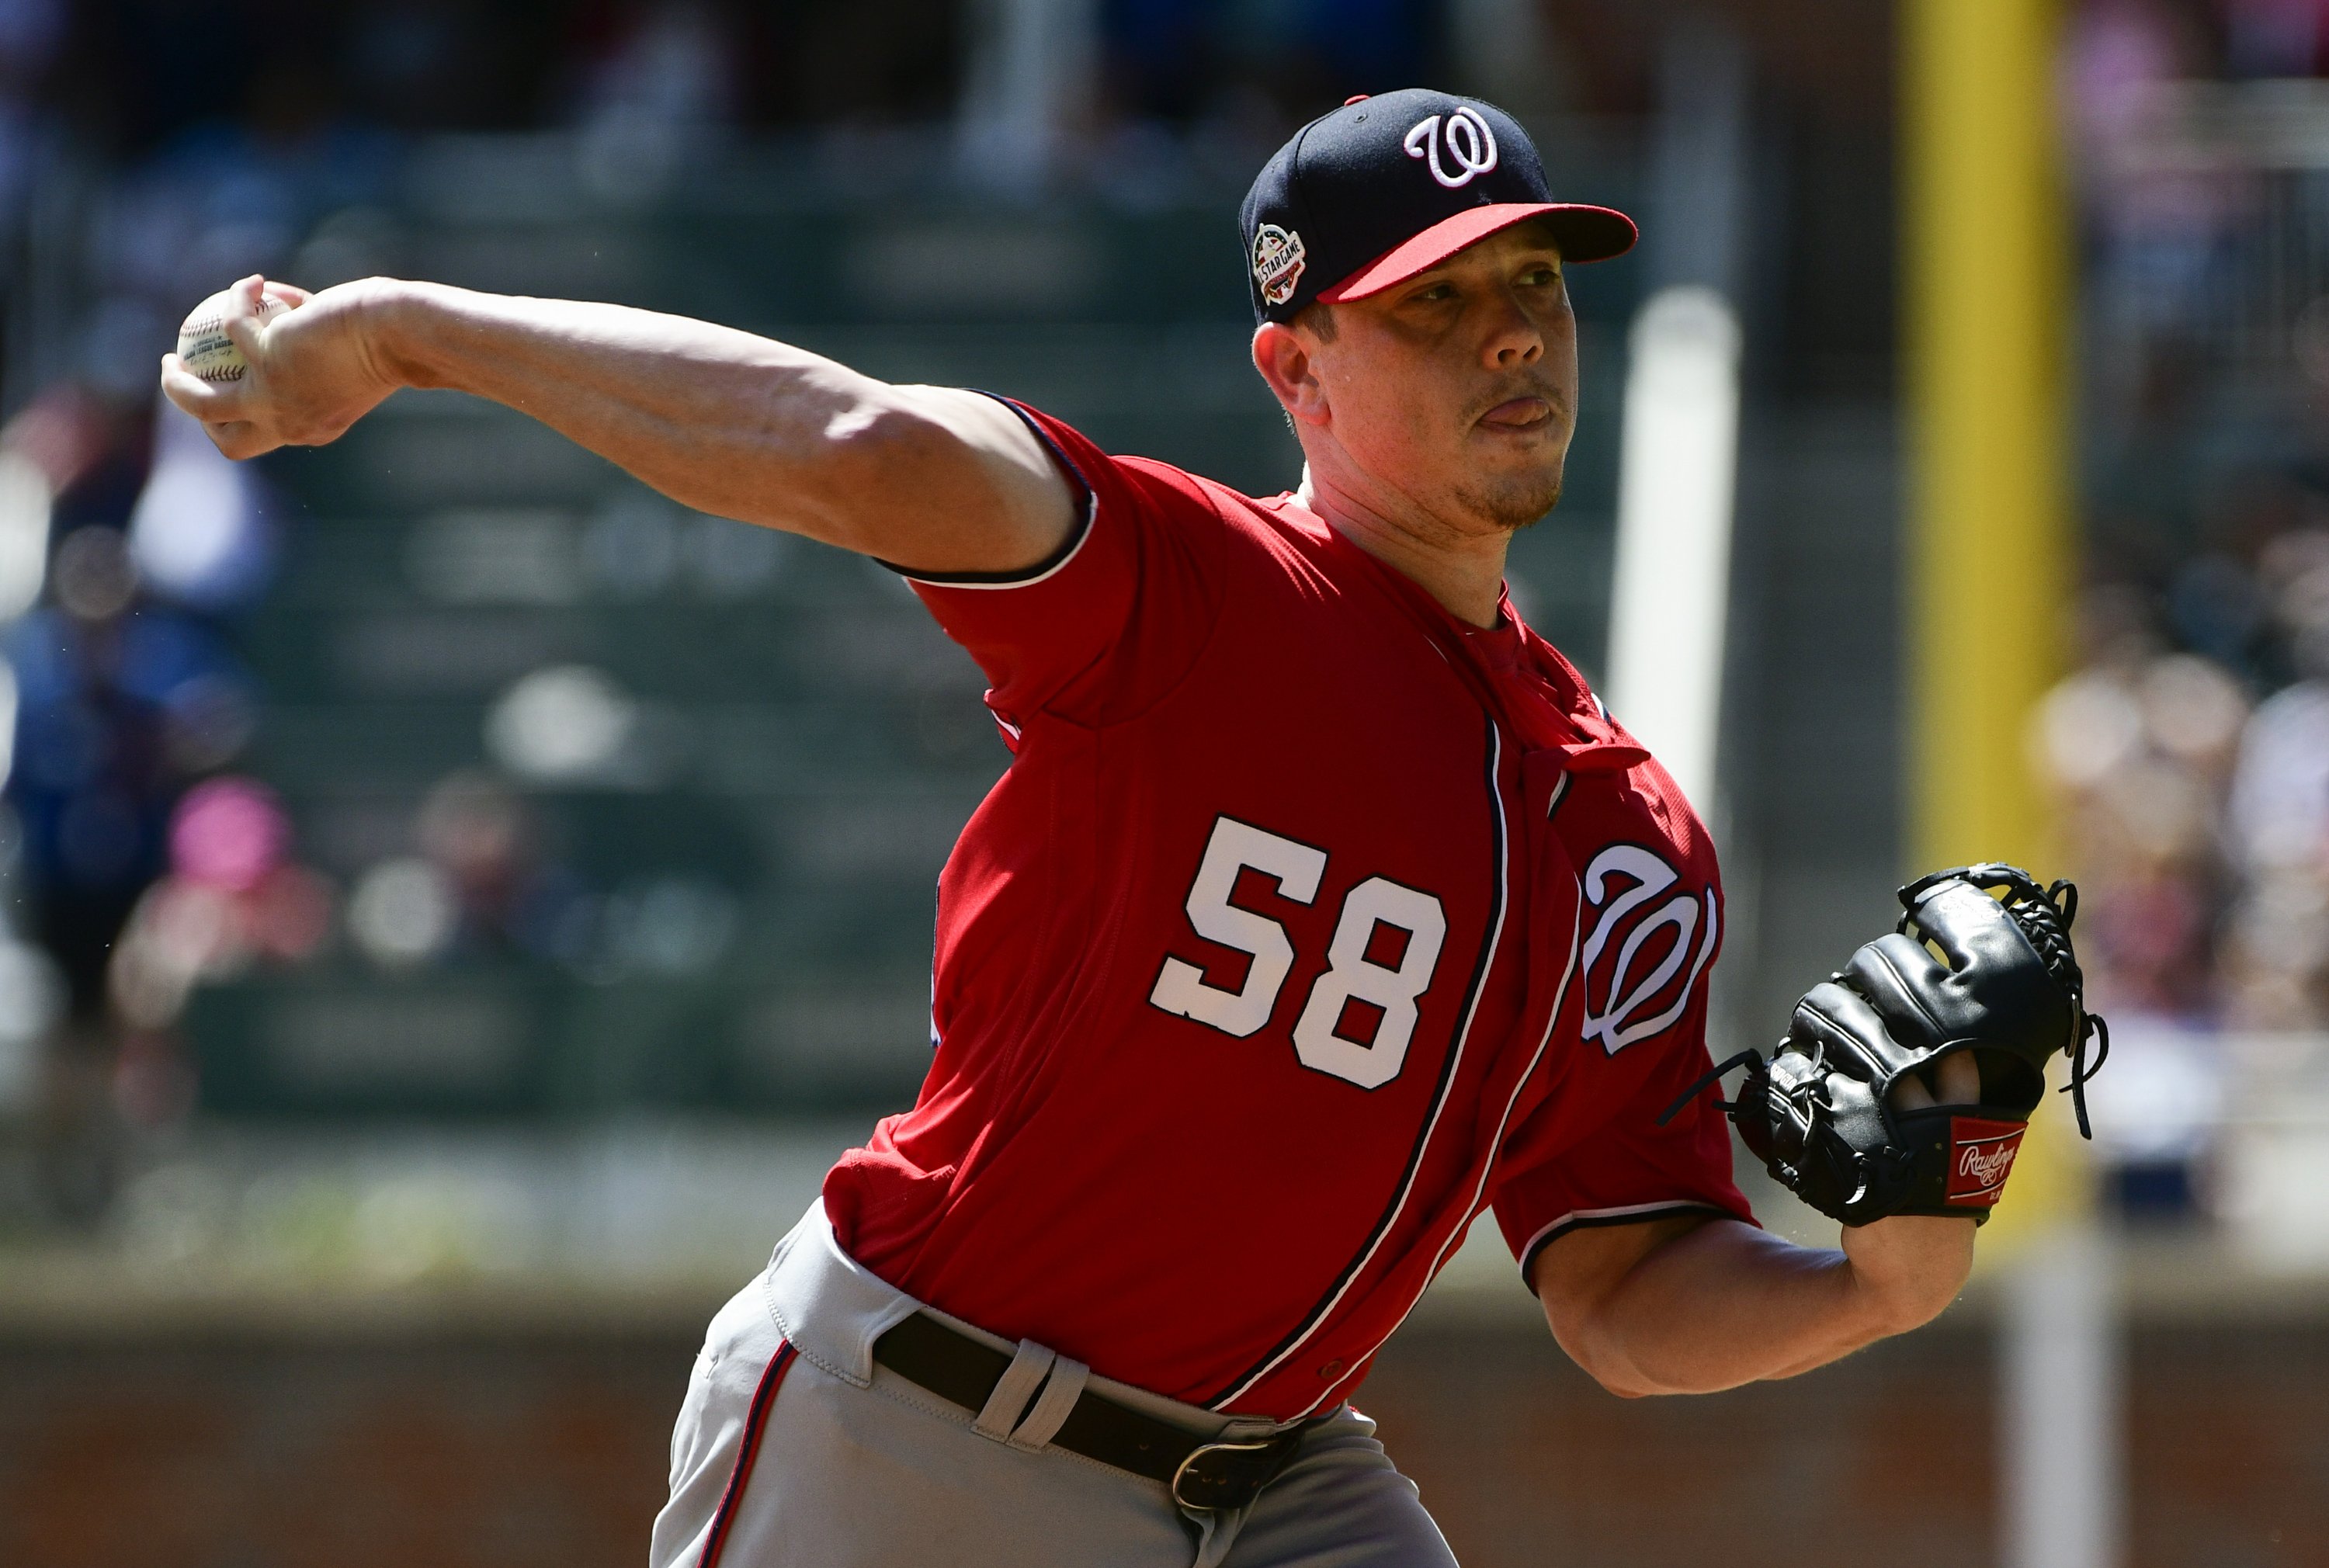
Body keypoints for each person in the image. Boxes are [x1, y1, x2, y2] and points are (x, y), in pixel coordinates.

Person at [164, 88, 1985, 1568]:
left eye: (1537, 281)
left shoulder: (1629, 831)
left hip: (1277, 1481)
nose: (1510, 328)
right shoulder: (1196, 593)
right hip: (921, 1437)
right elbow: (862, 442)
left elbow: (1621, 1285)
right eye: (1431, 297)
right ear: (1297, 373)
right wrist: (407, 336)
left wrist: (1872, 1283)